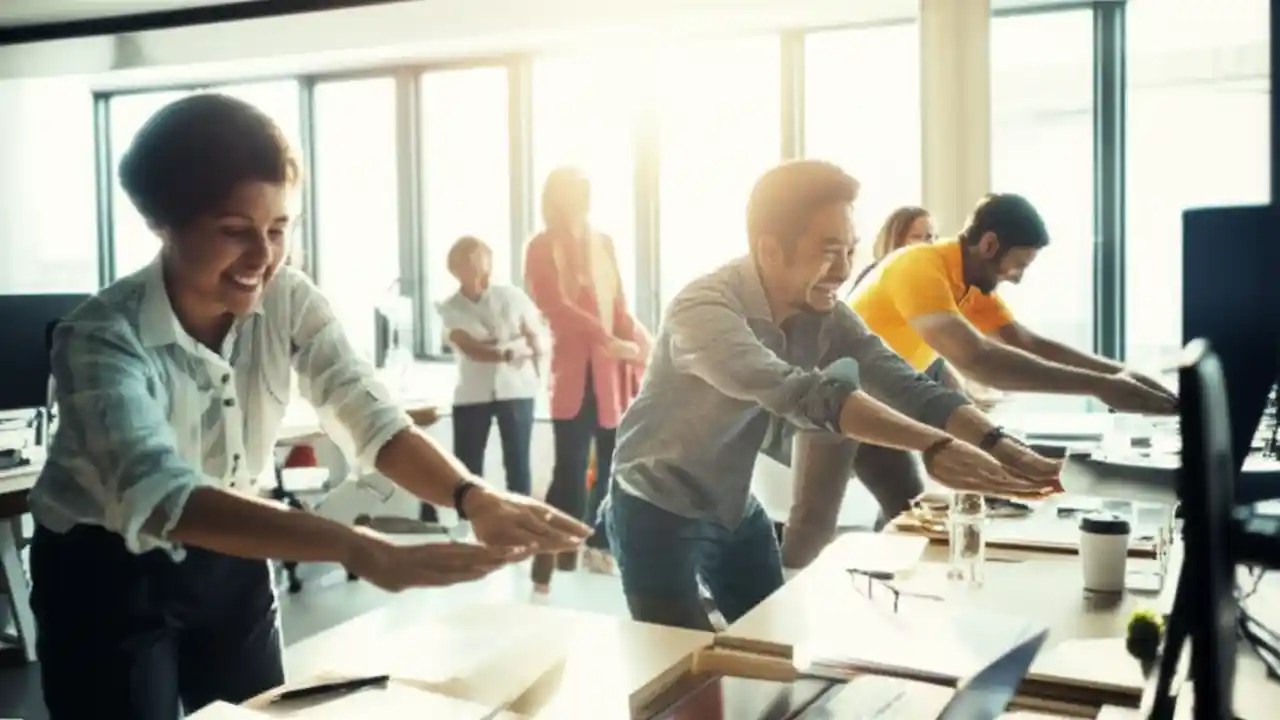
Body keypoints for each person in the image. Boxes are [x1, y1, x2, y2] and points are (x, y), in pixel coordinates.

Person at [26, 94, 589, 720]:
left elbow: (364, 407)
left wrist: (472, 497)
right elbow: (161, 493)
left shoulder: (288, 296)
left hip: (235, 547)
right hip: (106, 574)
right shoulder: (100, 335)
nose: (263, 257)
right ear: (165, 224)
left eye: (278, 229)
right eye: (236, 232)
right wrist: (358, 547)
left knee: (258, 713)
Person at [605, 160, 1060, 631]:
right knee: (681, 676)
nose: (844, 270)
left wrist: (999, 444)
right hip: (656, 508)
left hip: (734, 504)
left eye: (849, 250)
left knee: (777, 642)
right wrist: (935, 446)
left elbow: (905, 382)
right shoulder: (703, 310)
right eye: (828, 252)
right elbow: (804, 394)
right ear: (770, 250)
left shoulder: (824, 313)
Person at [524, 167, 650, 590]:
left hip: (611, 375)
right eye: (569, 194)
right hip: (575, 372)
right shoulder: (541, 248)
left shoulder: (604, 244)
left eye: (582, 193)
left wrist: (636, 340)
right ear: (553, 199)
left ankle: (601, 547)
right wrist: (604, 337)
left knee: (614, 466)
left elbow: (619, 305)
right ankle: (548, 556)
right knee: (570, 471)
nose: (578, 201)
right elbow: (552, 304)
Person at [438, 236, 544, 499]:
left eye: (483, 260)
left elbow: (534, 336)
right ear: (456, 269)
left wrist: (527, 355)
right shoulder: (450, 308)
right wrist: (508, 351)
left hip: (517, 389)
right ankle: (469, 527)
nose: (481, 268)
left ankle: (522, 528)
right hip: (473, 393)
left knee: (518, 465)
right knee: (467, 467)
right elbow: (470, 347)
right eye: (472, 262)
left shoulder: (512, 296)